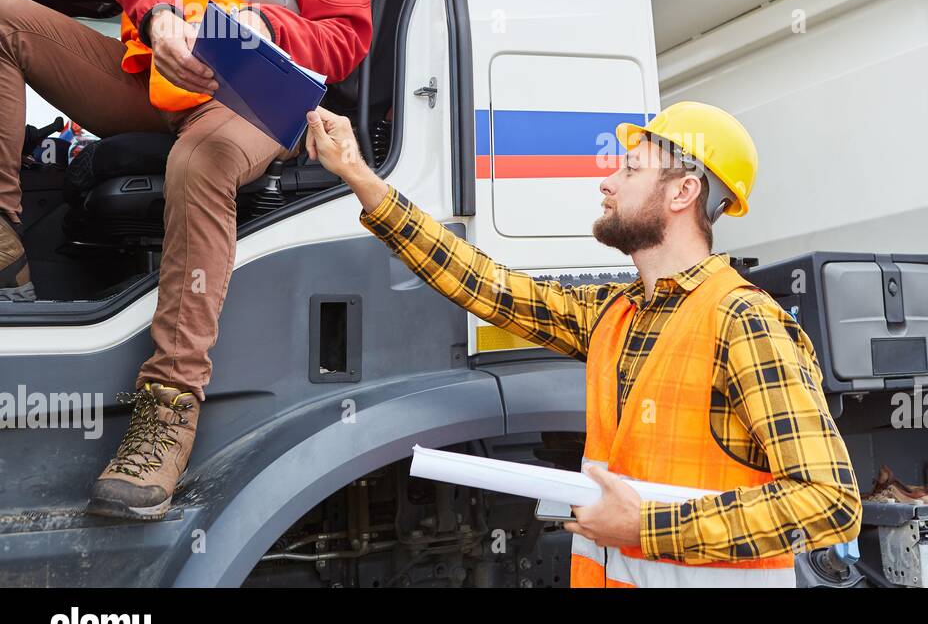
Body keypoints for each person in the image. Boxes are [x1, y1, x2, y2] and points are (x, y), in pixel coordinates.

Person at [0, 0, 386, 520]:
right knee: (1, 21)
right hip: (159, 68)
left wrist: (263, 31)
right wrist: (163, 15)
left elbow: (344, 38)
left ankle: (165, 415)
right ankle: (6, 257)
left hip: (252, 101)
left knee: (199, 164)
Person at [304, 100, 862, 587]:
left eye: (630, 168)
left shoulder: (744, 320)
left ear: (683, 192)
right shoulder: (615, 314)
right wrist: (359, 175)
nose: (607, 182)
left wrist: (646, 527)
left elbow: (829, 503)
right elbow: (490, 288)